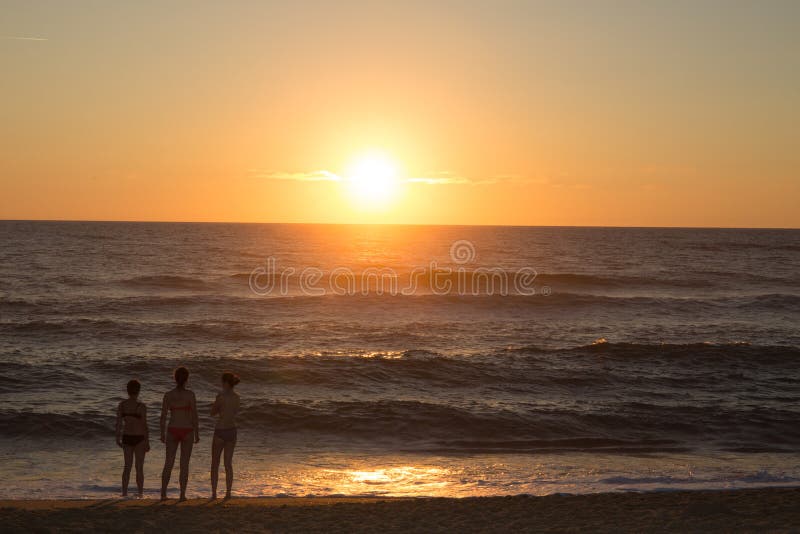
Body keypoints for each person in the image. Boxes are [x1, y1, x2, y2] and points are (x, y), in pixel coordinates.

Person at [159, 366, 199, 501]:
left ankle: (163, 494)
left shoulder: (168, 395)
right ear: (187, 379)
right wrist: (197, 432)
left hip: (172, 429)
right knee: (184, 464)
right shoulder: (190, 395)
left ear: (174, 378)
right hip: (187, 430)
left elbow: (163, 416)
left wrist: (161, 433)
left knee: (168, 462)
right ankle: (182, 495)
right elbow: (194, 415)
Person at [115, 379, 149, 497]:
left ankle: (124, 493)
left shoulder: (122, 405)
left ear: (127, 391)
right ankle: (140, 493)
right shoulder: (141, 406)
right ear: (139, 391)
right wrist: (147, 441)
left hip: (127, 437)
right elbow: (145, 425)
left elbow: (118, 423)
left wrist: (117, 437)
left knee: (127, 466)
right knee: (139, 467)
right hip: (139, 438)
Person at [210, 371, 241, 500]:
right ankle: (228, 493)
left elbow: (212, 412)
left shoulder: (220, 396)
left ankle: (214, 493)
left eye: (222, 382)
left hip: (221, 430)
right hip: (232, 430)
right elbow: (234, 412)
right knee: (228, 464)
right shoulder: (237, 397)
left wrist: (218, 408)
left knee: (215, 464)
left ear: (226, 383)